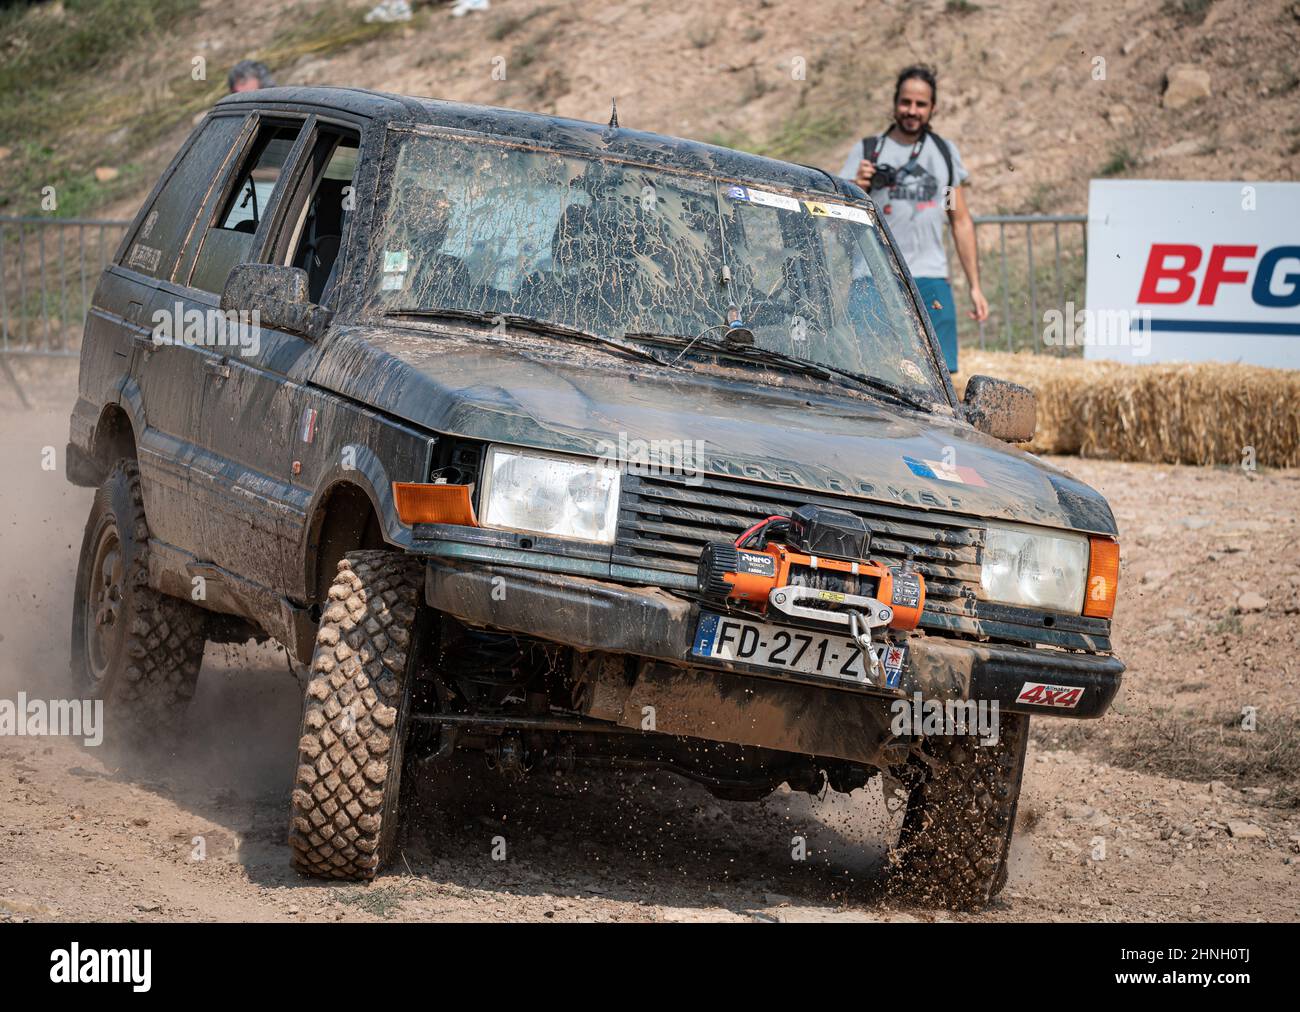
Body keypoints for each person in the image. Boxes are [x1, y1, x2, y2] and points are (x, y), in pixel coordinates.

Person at [837, 65, 988, 373]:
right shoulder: (868, 151)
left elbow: (959, 220)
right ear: (895, 103)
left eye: (921, 104)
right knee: (866, 371)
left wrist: (975, 286)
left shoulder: (944, 154)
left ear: (932, 108)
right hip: (872, 277)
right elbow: (838, 221)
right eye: (906, 102)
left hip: (929, 279)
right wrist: (858, 186)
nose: (912, 111)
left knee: (939, 376)